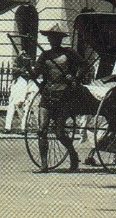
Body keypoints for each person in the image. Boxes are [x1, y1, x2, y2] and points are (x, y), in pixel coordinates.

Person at [30, 23, 90, 172]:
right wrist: (26, 67)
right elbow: (36, 74)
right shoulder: (45, 55)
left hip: (65, 96)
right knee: (42, 130)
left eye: (55, 37)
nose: (52, 40)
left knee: (59, 132)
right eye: (50, 37)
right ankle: (44, 165)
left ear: (60, 39)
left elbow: (84, 66)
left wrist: (75, 77)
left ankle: (73, 154)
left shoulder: (69, 53)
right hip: (47, 95)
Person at [4, 50, 37, 133]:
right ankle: (8, 127)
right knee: (12, 106)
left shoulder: (31, 69)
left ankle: (23, 127)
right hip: (19, 86)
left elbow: (33, 74)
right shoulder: (17, 73)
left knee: (26, 108)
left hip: (28, 86)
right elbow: (14, 70)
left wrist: (27, 68)